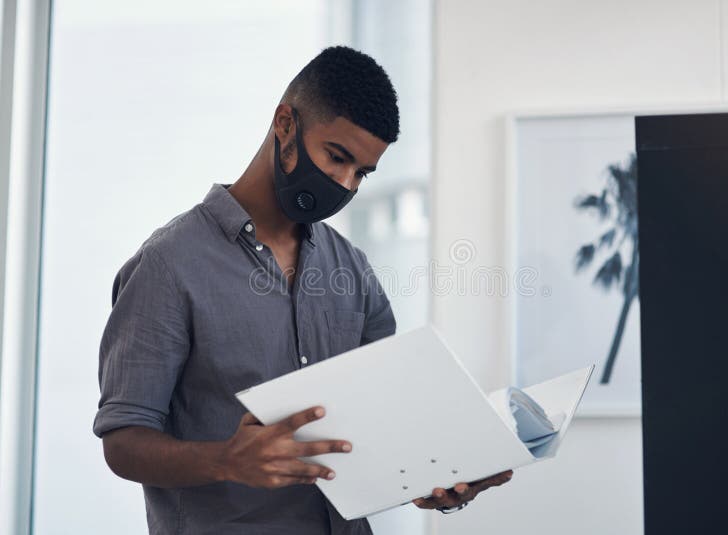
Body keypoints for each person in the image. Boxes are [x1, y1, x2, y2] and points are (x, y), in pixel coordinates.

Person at [93, 45, 512, 535]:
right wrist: (225, 460)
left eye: (362, 172)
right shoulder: (167, 266)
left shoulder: (352, 269)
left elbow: (388, 422)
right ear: (285, 124)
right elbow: (122, 441)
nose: (345, 182)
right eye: (337, 157)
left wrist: (438, 475)